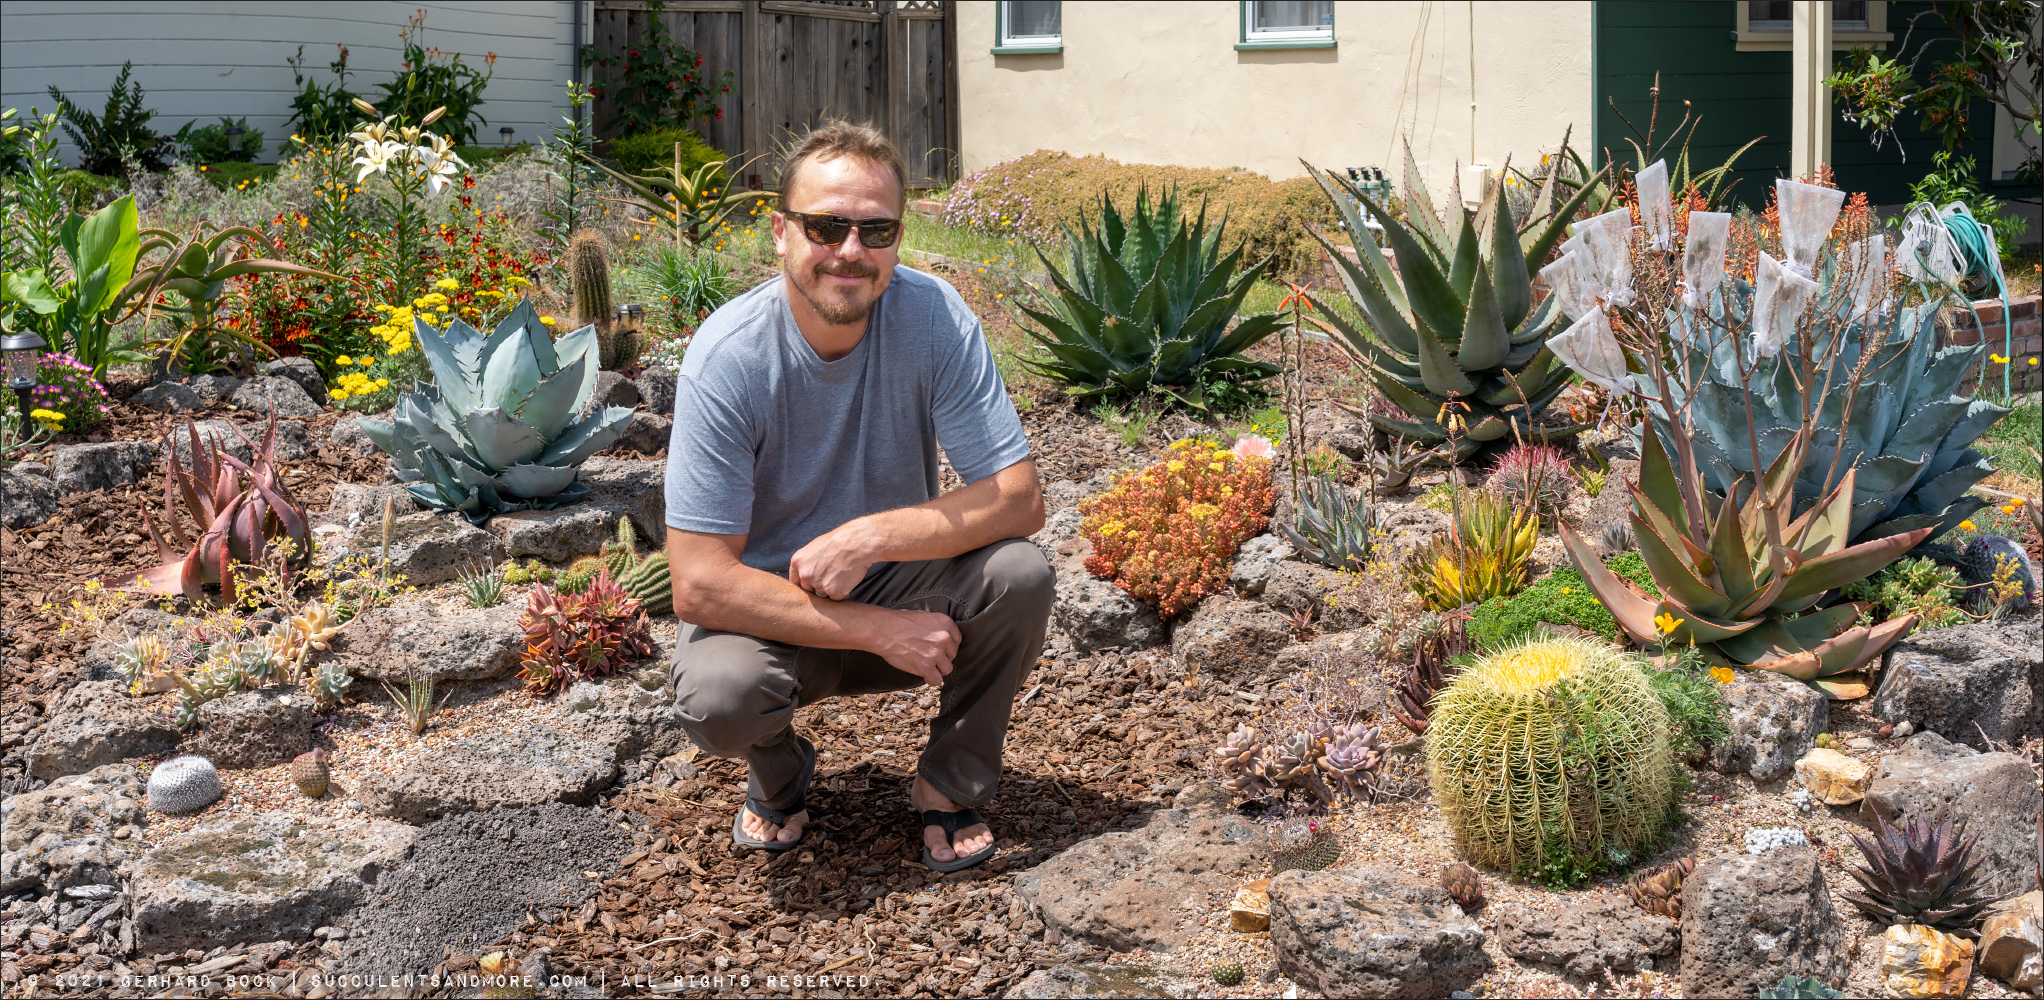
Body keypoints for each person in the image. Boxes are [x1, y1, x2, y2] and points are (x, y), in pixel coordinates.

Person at [662, 121, 1052, 873]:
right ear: (780, 233)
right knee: (720, 695)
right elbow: (700, 582)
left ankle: (950, 784)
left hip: (901, 589)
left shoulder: (931, 315)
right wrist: (876, 629)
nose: (851, 250)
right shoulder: (728, 357)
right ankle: (779, 776)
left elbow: (1019, 500)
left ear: (900, 237)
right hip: (773, 614)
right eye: (826, 225)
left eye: (876, 229)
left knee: (1019, 575)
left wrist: (871, 538)